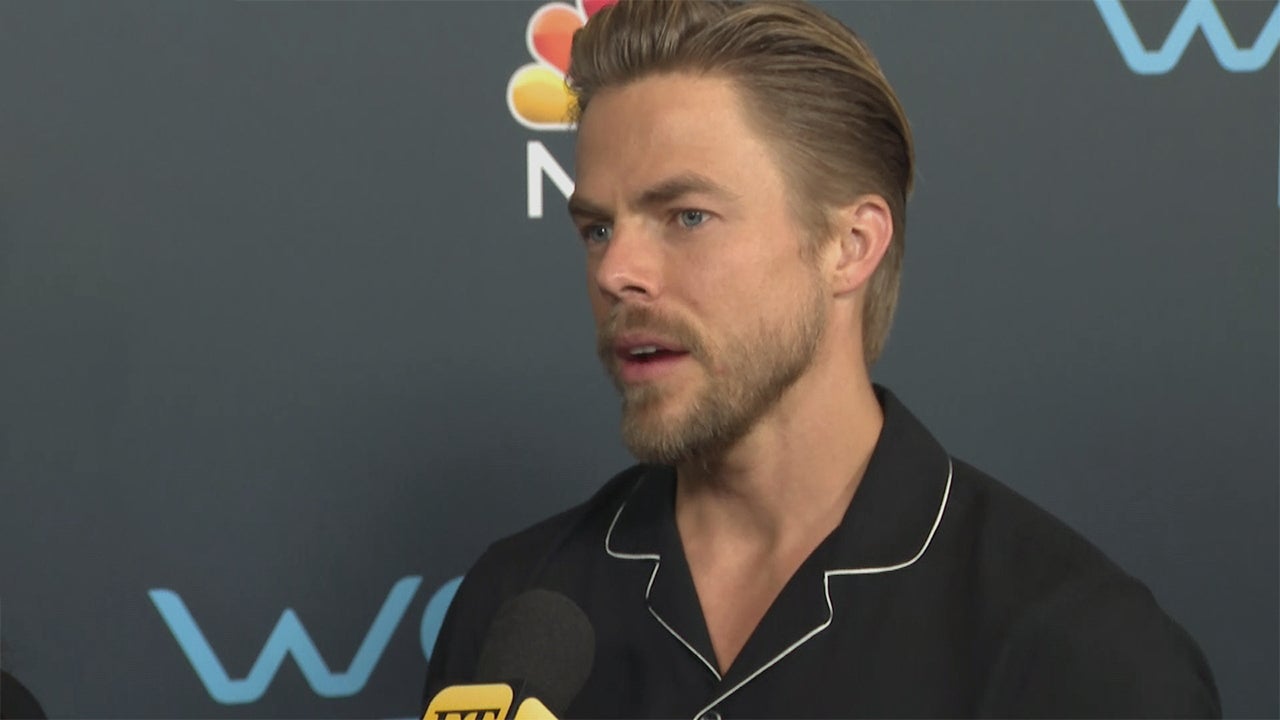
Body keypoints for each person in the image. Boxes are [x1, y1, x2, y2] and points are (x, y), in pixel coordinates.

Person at [424, 1, 1220, 717]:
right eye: (598, 229)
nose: (615, 272)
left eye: (686, 216)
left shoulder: (1081, 652)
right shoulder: (515, 603)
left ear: (850, 245)